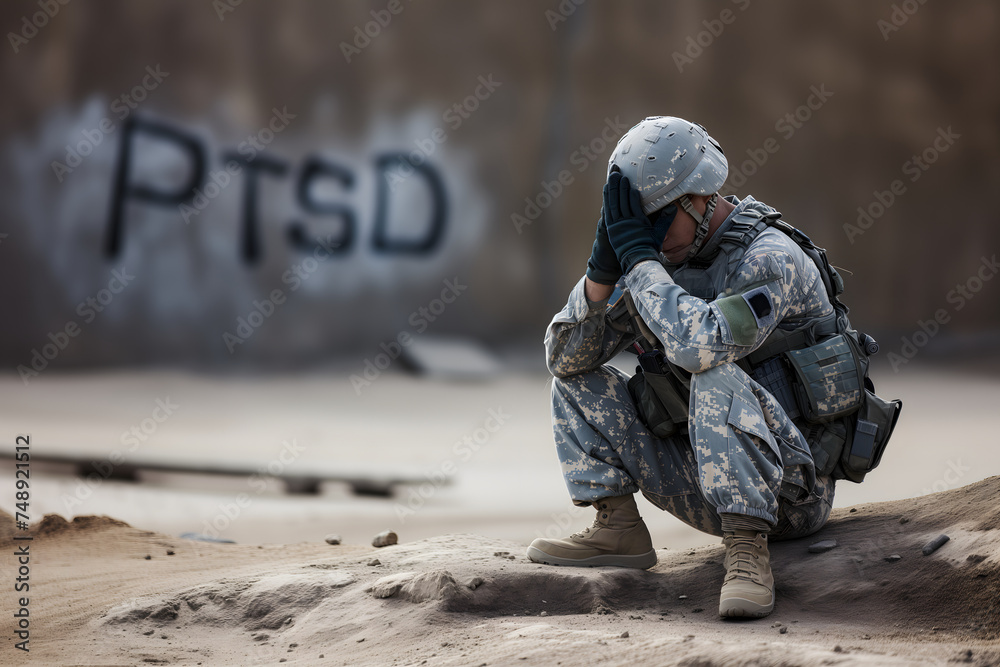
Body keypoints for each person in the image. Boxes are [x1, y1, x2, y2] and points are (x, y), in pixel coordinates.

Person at [526, 116, 841, 619]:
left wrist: (640, 263)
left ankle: (747, 553)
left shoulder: (769, 258)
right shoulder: (659, 261)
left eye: (657, 219)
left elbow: (700, 349)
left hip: (792, 494)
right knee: (575, 380)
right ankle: (618, 529)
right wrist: (601, 274)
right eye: (637, 224)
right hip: (702, 482)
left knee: (712, 372)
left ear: (700, 198)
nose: (648, 237)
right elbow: (564, 358)